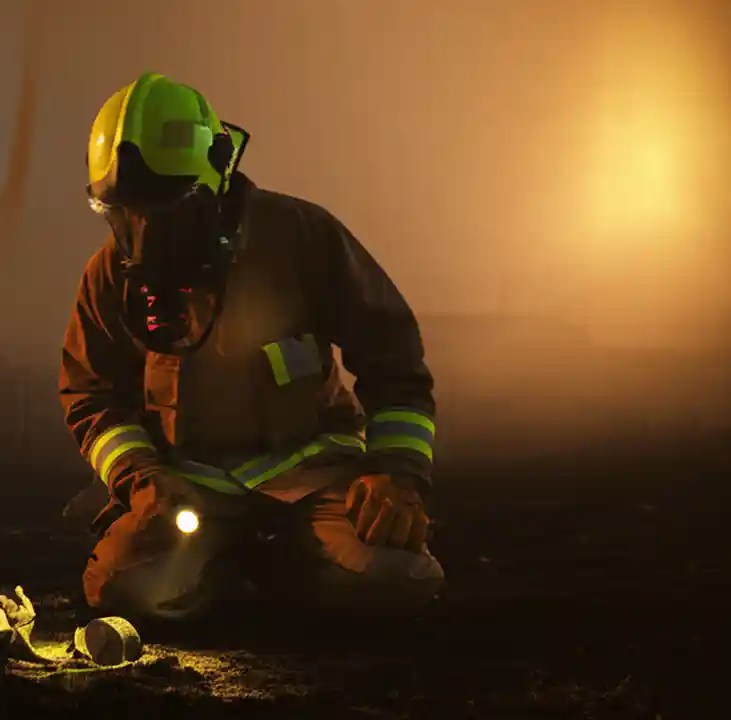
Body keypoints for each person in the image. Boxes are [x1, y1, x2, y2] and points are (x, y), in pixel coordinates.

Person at [59, 71, 444, 622]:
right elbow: (90, 396)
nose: (143, 235)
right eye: (124, 212)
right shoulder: (107, 276)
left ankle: (265, 565)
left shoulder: (303, 237)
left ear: (215, 179)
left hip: (313, 477)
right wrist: (140, 478)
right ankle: (245, 566)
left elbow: (395, 358)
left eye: (166, 209)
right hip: (184, 490)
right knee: (126, 590)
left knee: (398, 579)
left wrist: (396, 474)